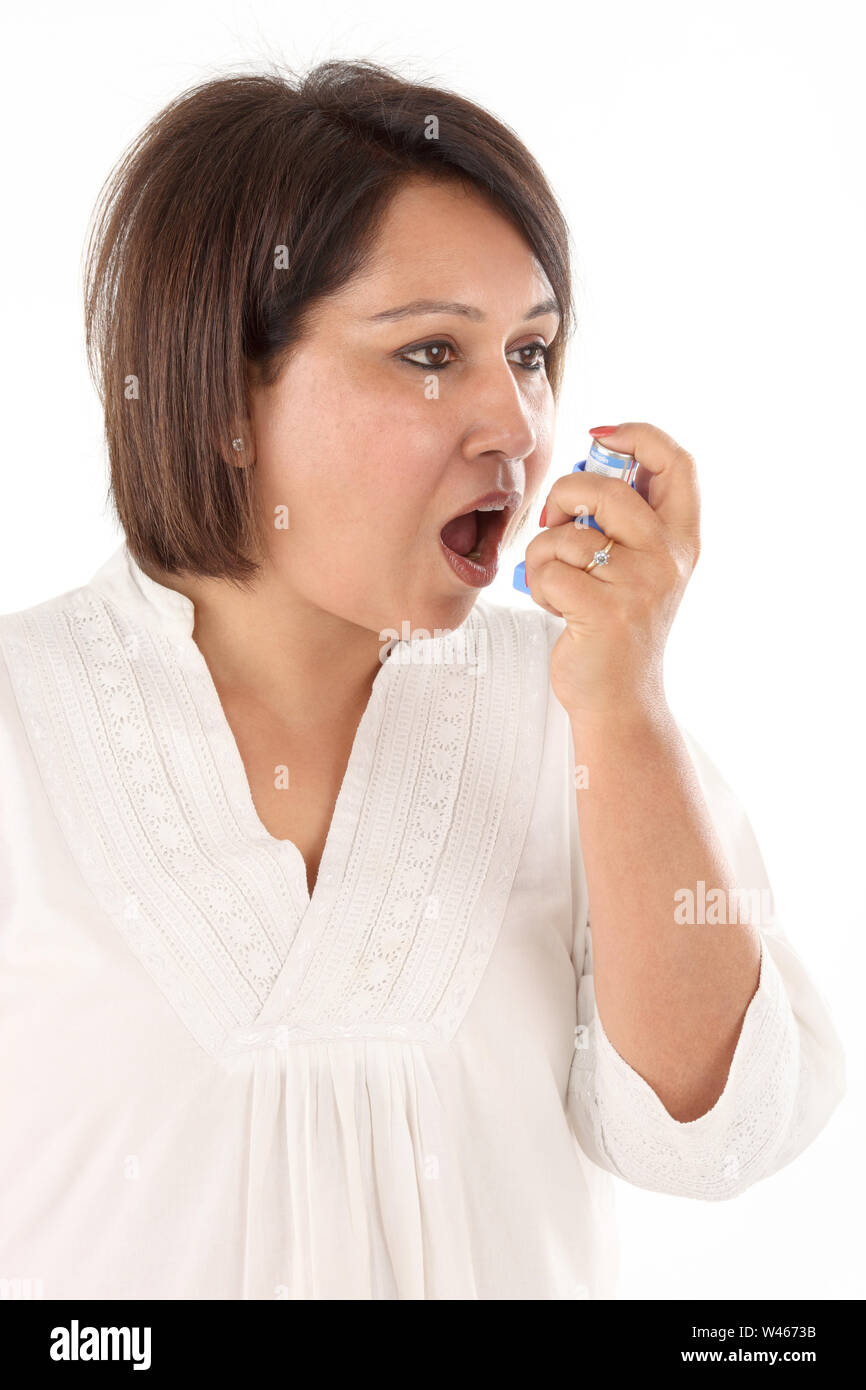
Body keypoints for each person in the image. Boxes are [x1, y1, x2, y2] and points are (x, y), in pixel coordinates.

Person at [0, 59, 845, 1300]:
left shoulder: (576, 718)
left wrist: (621, 705)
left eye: (532, 350)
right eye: (431, 353)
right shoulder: (23, 721)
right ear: (228, 394)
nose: (514, 420)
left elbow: (710, 1137)